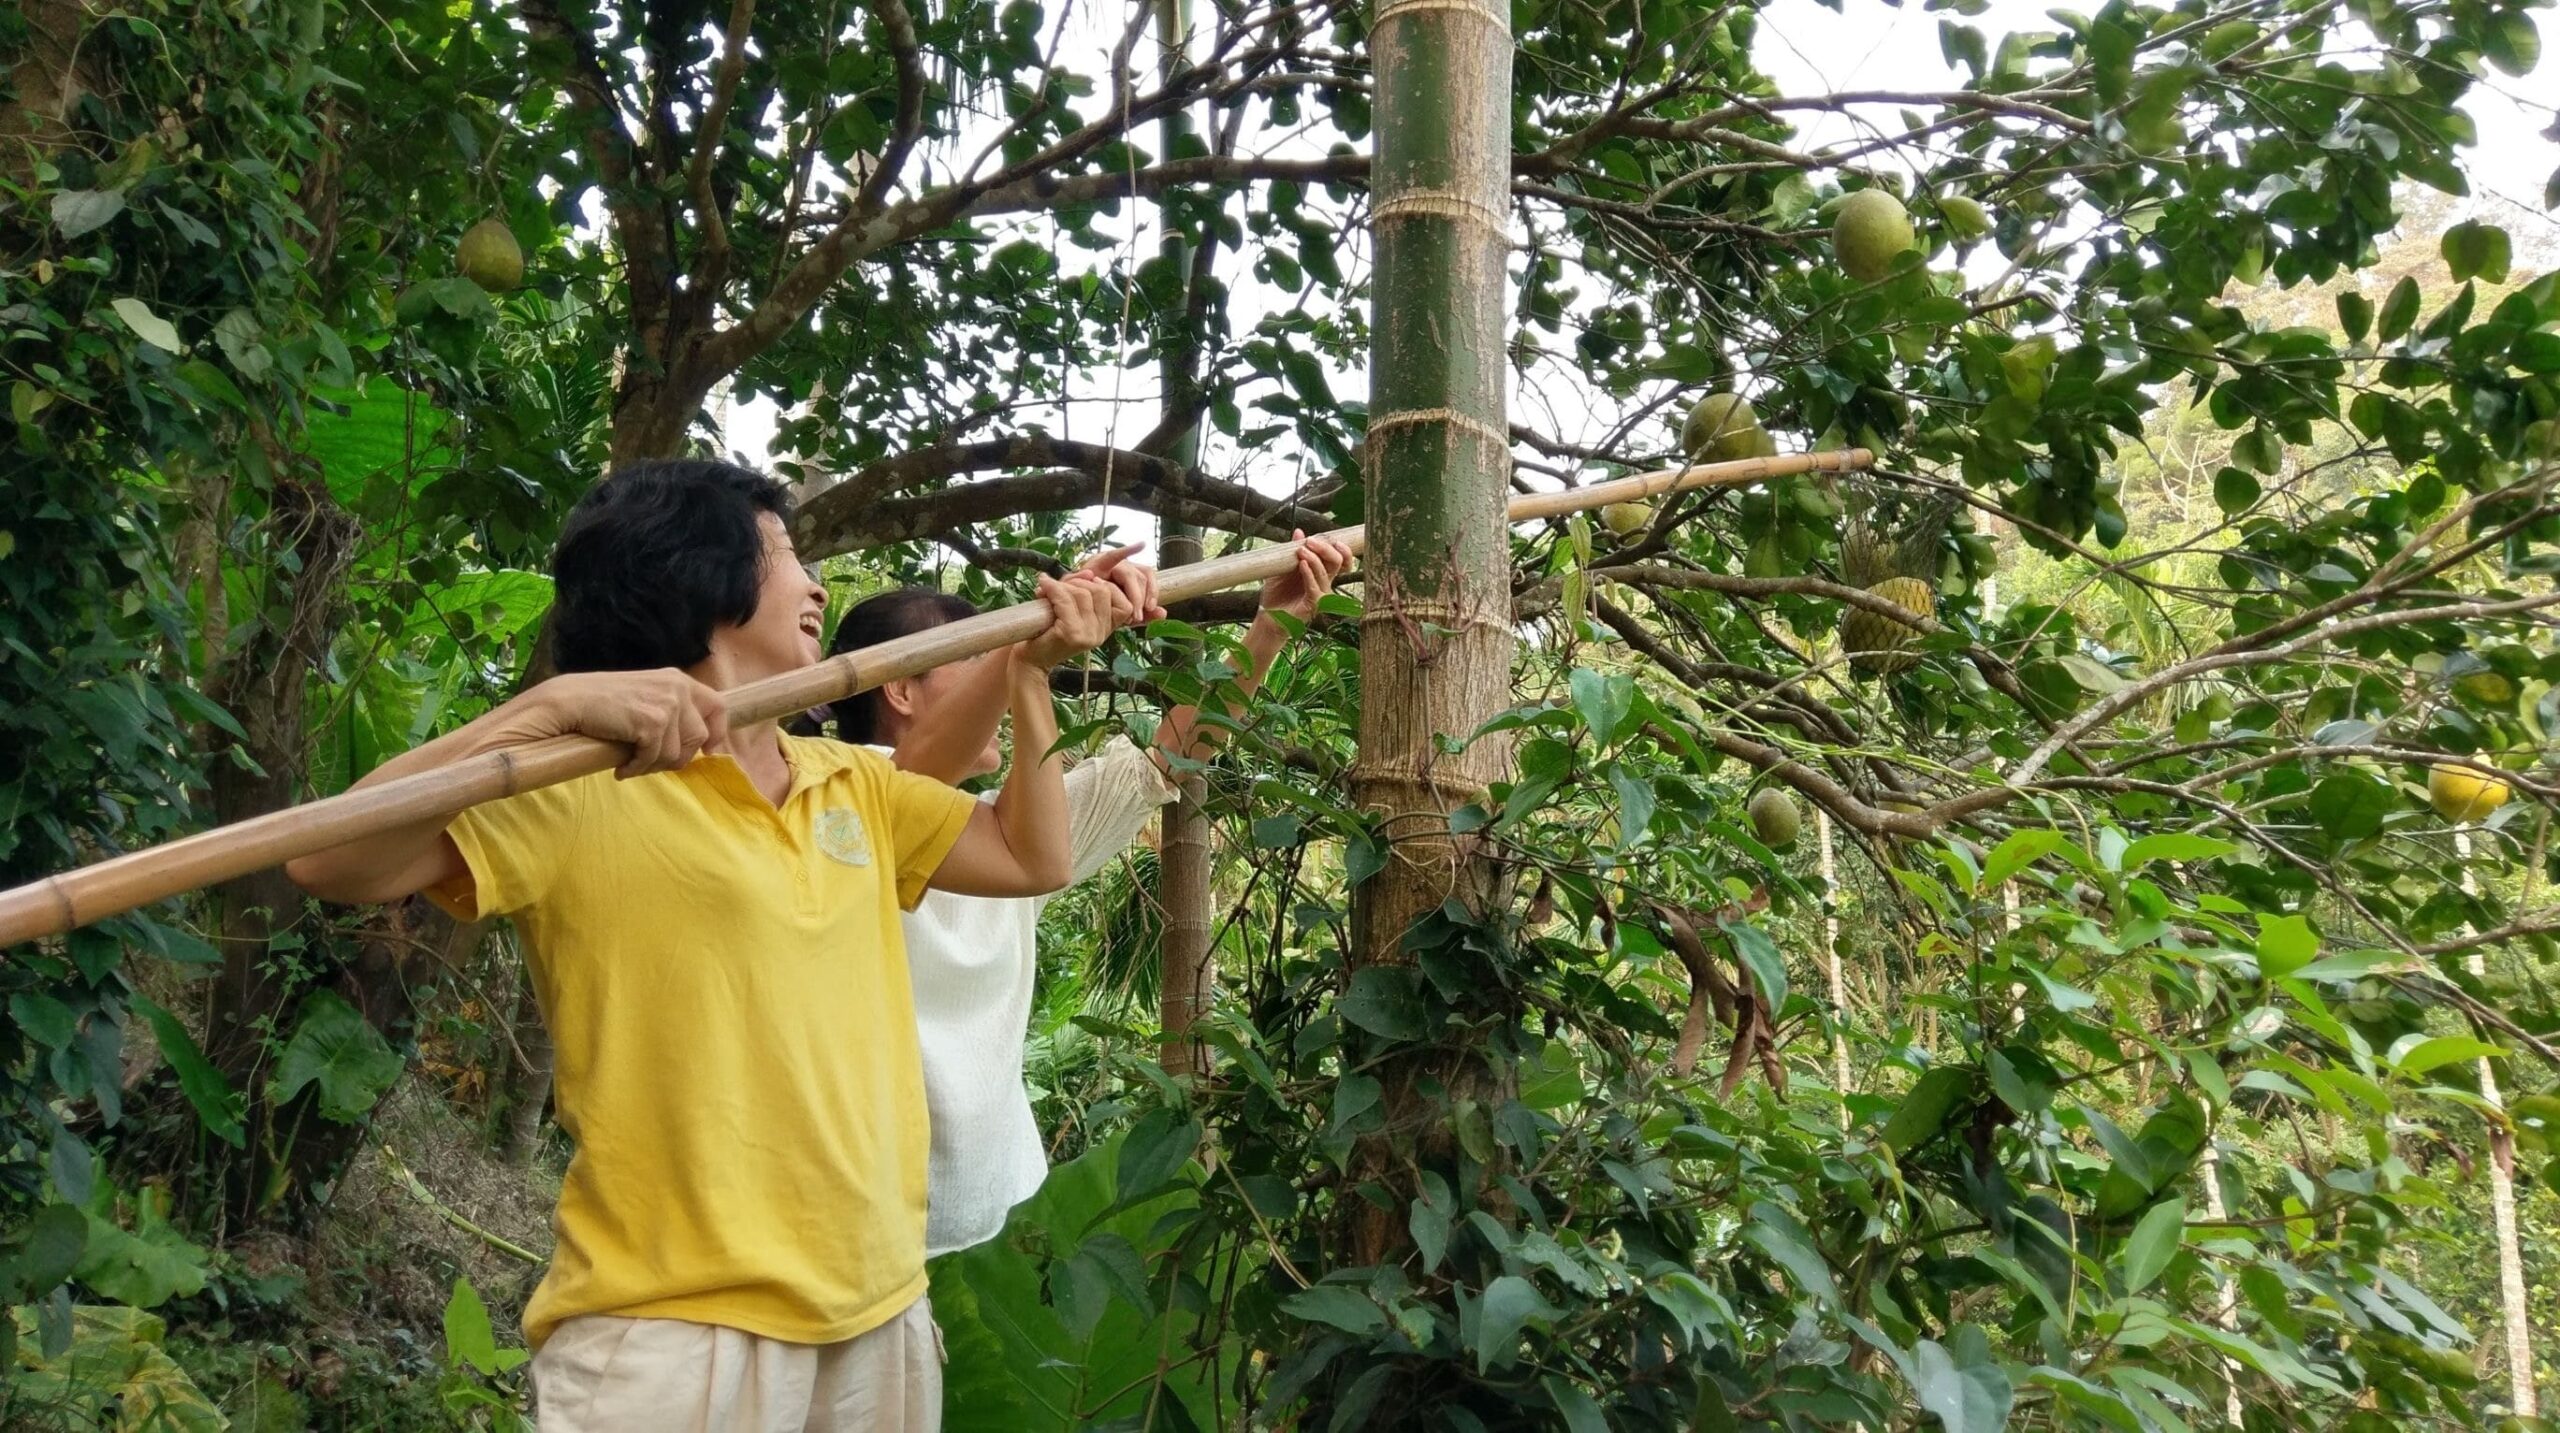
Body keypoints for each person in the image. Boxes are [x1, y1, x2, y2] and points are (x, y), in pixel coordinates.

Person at [284, 458, 1133, 1433]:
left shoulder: (848, 780)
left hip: (879, 1312)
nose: (816, 585)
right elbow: (325, 860)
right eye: (783, 555)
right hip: (667, 1331)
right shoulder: (569, 786)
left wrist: (1029, 674)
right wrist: (542, 709)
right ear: (695, 577)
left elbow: (1031, 855)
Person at [829, 529, 1353, 1256]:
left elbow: (1159, 762)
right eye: (976, 656)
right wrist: (1027, 662)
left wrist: (1269, 629)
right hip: (863, 1231)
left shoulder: (1007, 831)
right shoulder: (825, 808)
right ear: (901, 687)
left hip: (996, 1214)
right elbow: (903, 791)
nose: (997, 672)